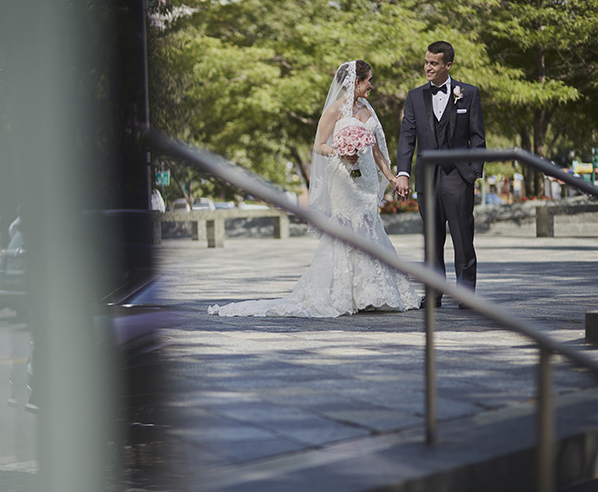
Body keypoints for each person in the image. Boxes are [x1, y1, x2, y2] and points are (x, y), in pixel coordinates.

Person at [208, 60, 420, 318]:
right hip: (343, 179)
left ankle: (373, 292)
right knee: (346, 227)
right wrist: (341, 151)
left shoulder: (368, 109)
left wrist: (393, 177)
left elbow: (377, 153)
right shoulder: (334, 111)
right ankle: (346, 293)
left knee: (369, 224)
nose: (371, 86)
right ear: (355, 82)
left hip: (365, 180)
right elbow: (319, 145)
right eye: (368, 81)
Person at [394, 41, 486, 309]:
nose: (427, 67)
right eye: (426, 62)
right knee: (432, 239)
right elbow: (407, 137)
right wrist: (403, 173)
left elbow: (477, 137)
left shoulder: (468, 94)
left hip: (459, 177)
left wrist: (473, 173)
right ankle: (433, 293)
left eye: (433, 63)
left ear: (448, 65)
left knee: (462, 238)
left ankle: (466, 294)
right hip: (427, 177)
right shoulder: (414, 96)